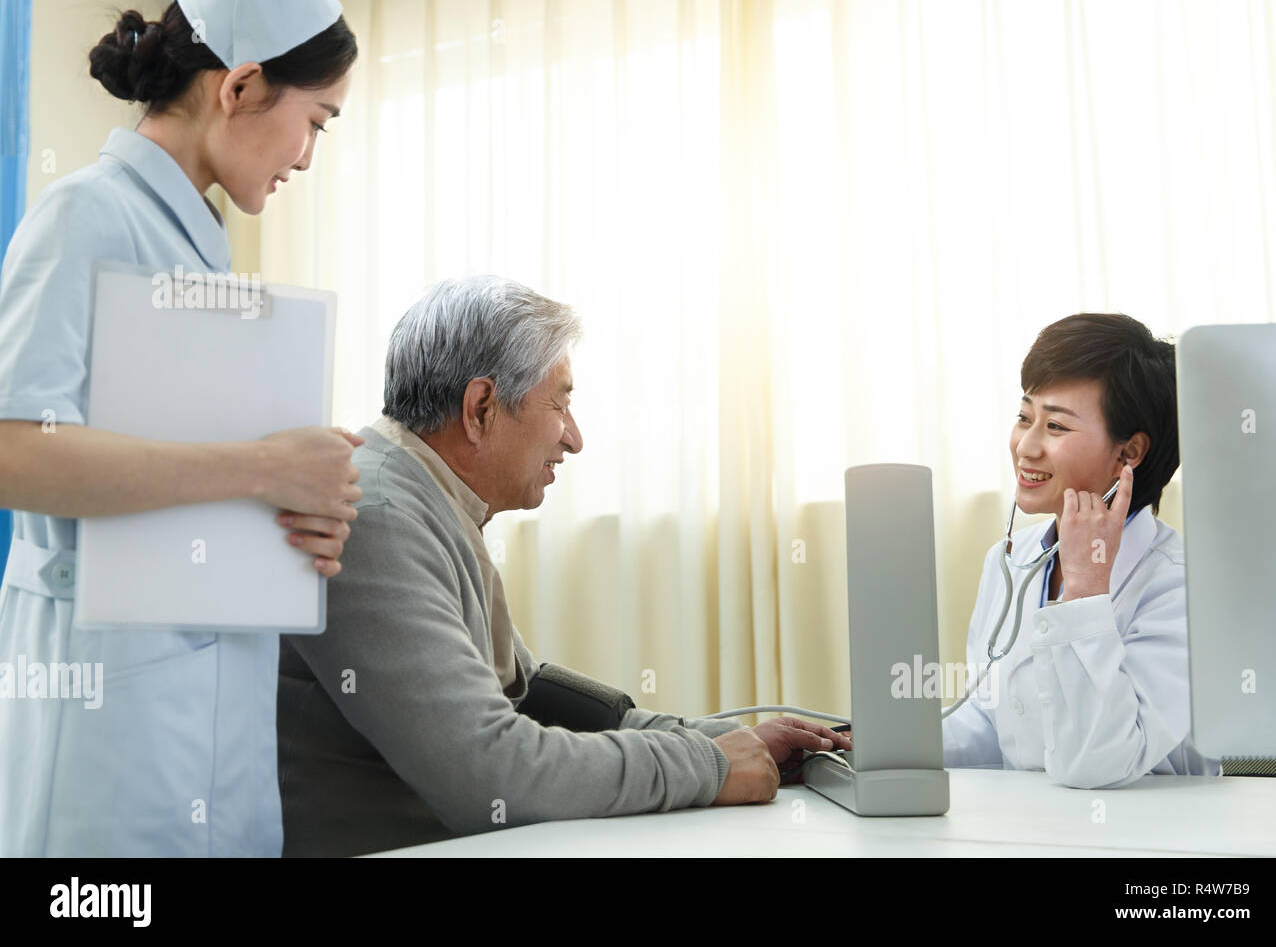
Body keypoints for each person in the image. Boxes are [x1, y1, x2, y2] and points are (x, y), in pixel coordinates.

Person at [277, 275, 851, 856]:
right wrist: (707, 765)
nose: (573, 439)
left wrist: (730, 740)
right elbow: (490, 773)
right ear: (480, 408)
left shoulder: (426, 497)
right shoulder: (377, 517)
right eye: (561, 402)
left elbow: (532, 696)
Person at [0, 0, 361, 856]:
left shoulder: (193, 239)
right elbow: (15, 453)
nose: (309, 157)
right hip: (106, 708)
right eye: (317, 120)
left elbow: (178, 473)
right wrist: (262, 470)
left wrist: (297, 519)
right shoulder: (86, 212)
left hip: (212, 698)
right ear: (238, 87)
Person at [942, 313, 1219, 788]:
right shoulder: (1010, 559)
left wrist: (1087, 590)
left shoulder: (1183, 585)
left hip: (1149, 840)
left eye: (1056, 427)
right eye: (1025, 417)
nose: (1026, 447)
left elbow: (1097, 764)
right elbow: (990, 728)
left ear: (1128, 454)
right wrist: (863, 745)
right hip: (1035, 831)